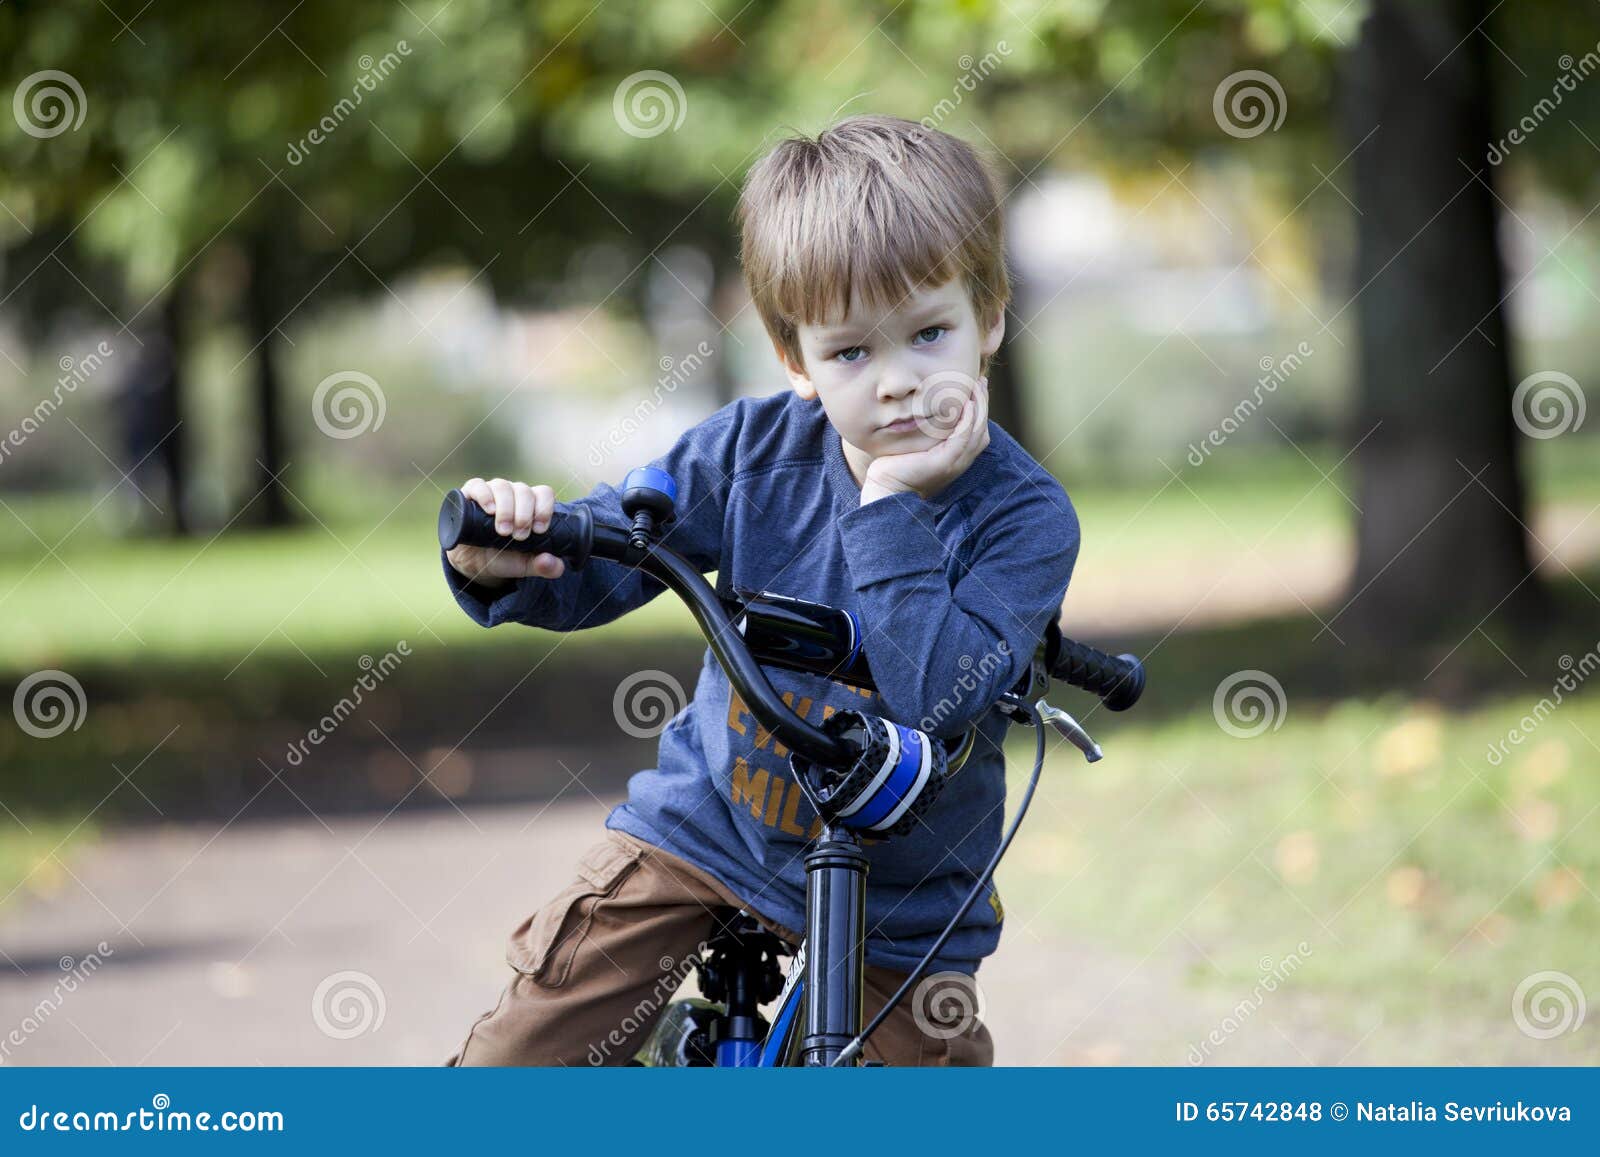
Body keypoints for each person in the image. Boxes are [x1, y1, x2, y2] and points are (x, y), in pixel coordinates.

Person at [441, 114, 1078, 1066]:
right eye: (853, 352)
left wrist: (888, 505)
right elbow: (624, 540)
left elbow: (932, 690)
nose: (899, 382)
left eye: (930, 333)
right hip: (710, 827)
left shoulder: (1026, 520)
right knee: (519, 1057)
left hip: (905, 901)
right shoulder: (750, 453)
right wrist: (516, 555)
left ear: (989, 317)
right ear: (798, 361)